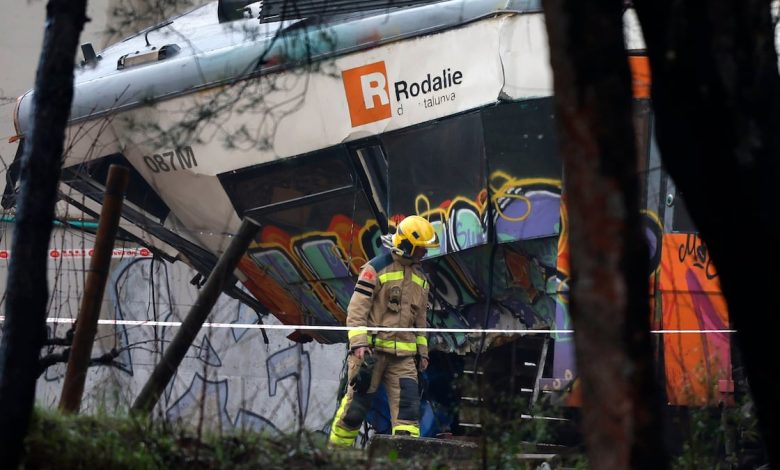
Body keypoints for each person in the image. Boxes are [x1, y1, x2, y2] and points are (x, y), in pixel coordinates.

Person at [328, 215, 439, 447]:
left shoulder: (421, 280)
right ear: (407, 245)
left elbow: (420, 321)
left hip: (404, 359)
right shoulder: (375, 269)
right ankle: (336, 455)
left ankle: (399, 459)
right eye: (420, 248)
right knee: (355, 411)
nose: (424, 253)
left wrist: (423, 353)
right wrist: (359, 343)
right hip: (371, 354)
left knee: (408, 417)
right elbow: (357, 309)